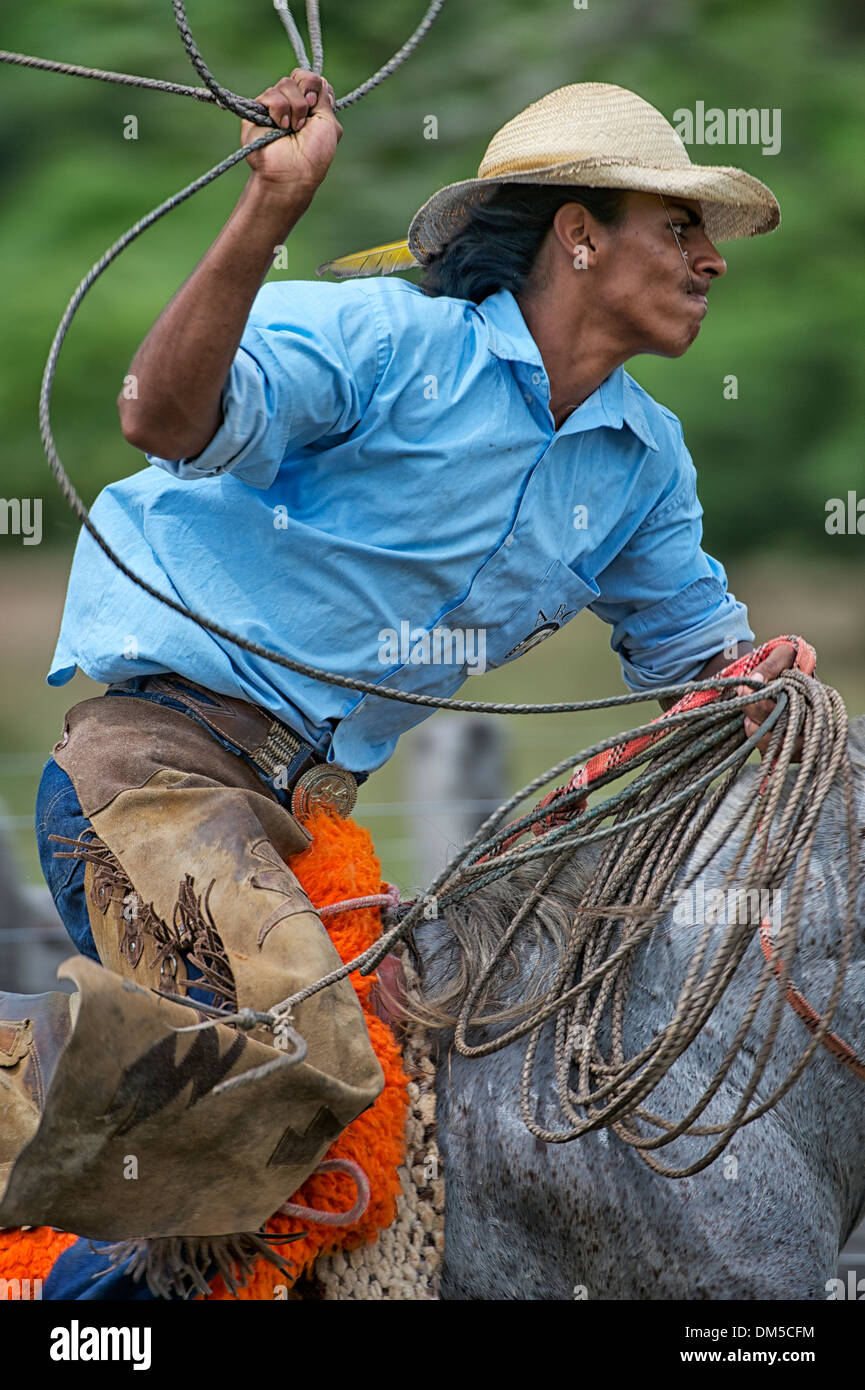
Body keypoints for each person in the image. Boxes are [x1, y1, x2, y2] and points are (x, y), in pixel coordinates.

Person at [25, 76, 797, 1297]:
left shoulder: (642, 459)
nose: (710, 259)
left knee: (409, 1097)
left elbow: (701, 668)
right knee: (303, 1073)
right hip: (153, 771)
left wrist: (764, 684)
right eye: (679, 225)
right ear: (578, 232)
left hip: (303, 822)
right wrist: (266, 214)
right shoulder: (385, 342)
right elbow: (164, 417)